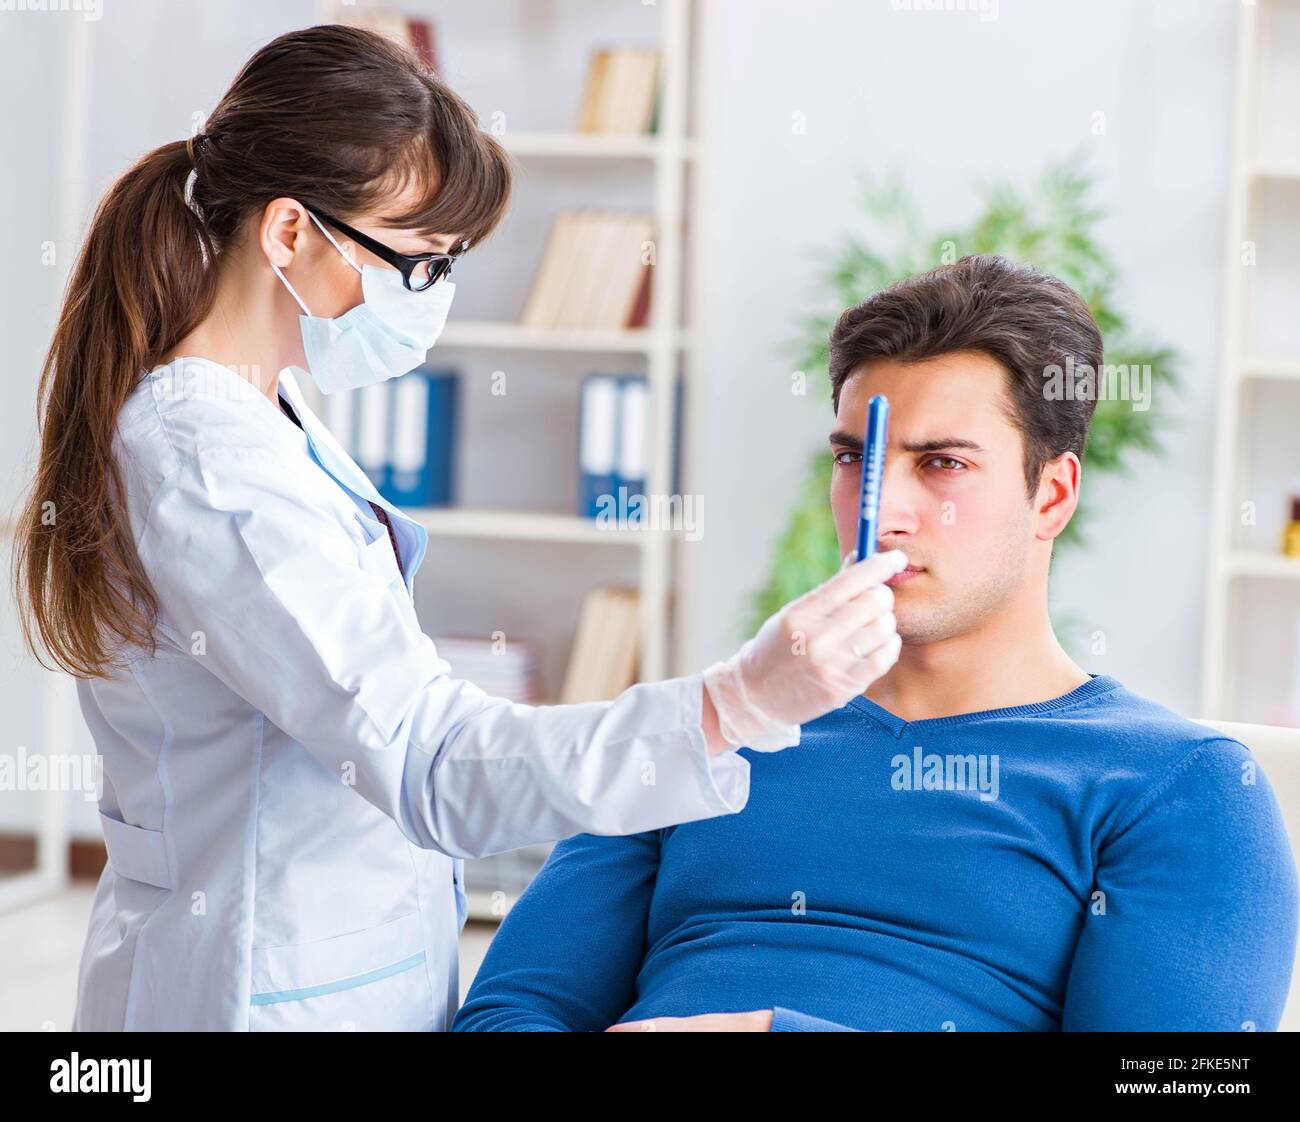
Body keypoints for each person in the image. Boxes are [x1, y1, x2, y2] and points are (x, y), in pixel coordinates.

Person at [9, 25, 904, 1031]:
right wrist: (736, 702)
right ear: (290, 234)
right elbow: (433, 766)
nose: (428, 295)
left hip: (337, 951)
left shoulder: (269, 414)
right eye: (419, 263)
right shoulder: (207, 462)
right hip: (256, 987)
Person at [454, 255, 1299, 1032]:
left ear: (1052, 496)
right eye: (855, 456)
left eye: (942, 465)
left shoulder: (1177, 787)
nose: (880, 510)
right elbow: (511, 1014)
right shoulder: (707, 732)